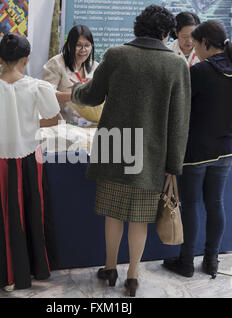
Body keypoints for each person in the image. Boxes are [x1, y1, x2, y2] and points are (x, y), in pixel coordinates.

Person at [71, 5, 191, 297]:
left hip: (115, 146)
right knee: (139, 217)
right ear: (166, 33)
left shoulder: (116, 55)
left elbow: (91, 96)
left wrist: (74, 91)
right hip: (150, 154)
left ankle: (110, 268)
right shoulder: (177, 64)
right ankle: (133, 276)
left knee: (113, 213)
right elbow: (179, 120)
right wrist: (174, 163)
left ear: (138, 26)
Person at [0, 34, 61, 291]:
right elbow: (53, 119)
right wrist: (29, 123)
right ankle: (38, 268)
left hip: (0, 160)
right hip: (31, 156)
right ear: (26, 59)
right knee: (34, 212)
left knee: (5, 215)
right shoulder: (37, 86)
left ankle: (9, 275)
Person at [163, 20, 232, 279]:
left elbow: (179, 106)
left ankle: (186, 261)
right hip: (226, 149)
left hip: (196, 151)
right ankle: (211, 260)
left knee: (190, 205)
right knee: (215, 204)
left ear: (205, 43)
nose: (194, 48)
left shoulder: (200, 71)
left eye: (196, 43)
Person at [43, 25, 99, 125]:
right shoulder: (56, 64)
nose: (83, 50)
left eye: (87, 45)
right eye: (78, 45)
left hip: (90, 125)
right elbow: (47, 95)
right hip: (63, 125)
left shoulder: (95, 67)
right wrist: (77, 94)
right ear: (69, 45)